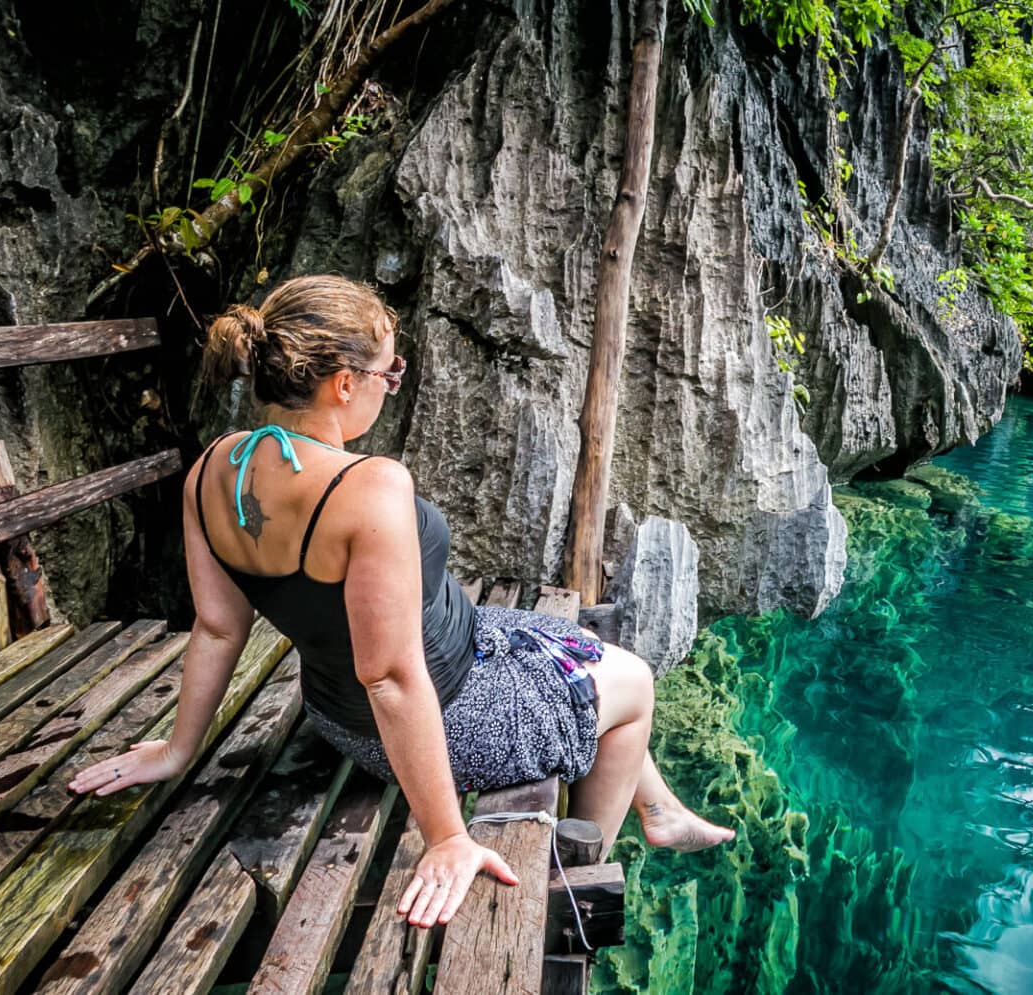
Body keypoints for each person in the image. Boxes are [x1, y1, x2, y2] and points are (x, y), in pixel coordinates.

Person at [68, 275, 732, 930]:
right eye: (390, 373)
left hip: (334, 711)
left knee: (577, 651)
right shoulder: (369, 486)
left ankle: (659, 806)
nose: (393, 385)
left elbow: (217, 628)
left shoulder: (214, 467)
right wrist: (447, 835)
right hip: (442, 717)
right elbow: (388, 676)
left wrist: (179, 749)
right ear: (343, 383)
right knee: (636, 682)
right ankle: (563, 885)